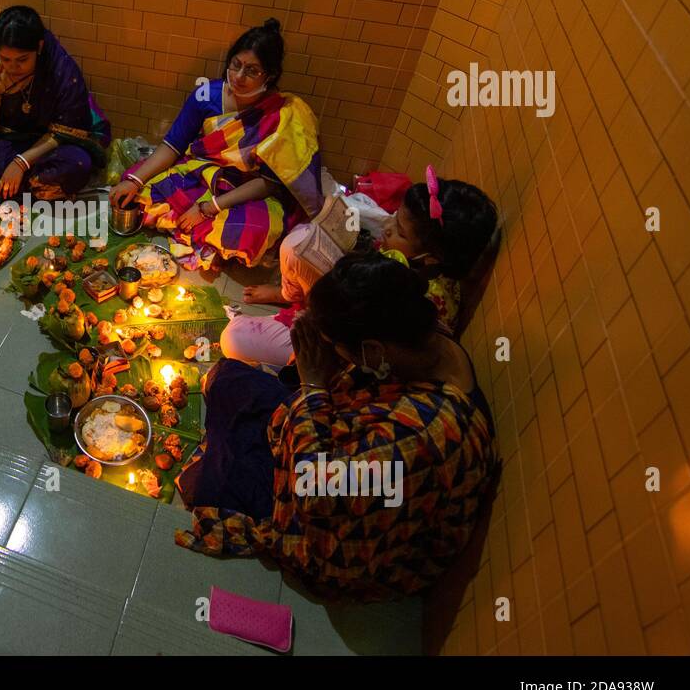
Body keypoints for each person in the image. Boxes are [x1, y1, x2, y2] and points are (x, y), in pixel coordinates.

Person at [176, 253, 499, 601]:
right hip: (324, 429)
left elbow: (315, 493)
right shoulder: (417, 331)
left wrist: (314, 384)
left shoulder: (421, 435)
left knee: (203, 485)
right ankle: (228, 445)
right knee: (227, 377)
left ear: (372, 351)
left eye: (335, 347)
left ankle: (224, 455)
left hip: (330, 525)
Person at [223, 171, 498, 368]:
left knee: (232, 340)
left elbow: (359, 350)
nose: (388, 227)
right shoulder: (405, 261)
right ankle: (288, 296)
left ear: (430, 257)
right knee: (298, 242)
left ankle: (293, 318)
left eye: (399, 231)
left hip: (340, 347)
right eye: (394, 217)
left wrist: (313, 358)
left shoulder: (421, 308)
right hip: (337, 311)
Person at [107, 17, 323, 267]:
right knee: (134, 188)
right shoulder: (206, 94)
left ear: (270, 76)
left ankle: (200, 228)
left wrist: (208, 208)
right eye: (236, 65)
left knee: (252, 231)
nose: (239, 76)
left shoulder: (282, 114)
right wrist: (135, 181)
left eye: (252, 71)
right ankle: (199, 231)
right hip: (200, 173)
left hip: (246, 189)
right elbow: (173, 146)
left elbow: (269, 183)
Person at [0, 6, 111, 209]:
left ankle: (11, 190)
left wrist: (21, 163)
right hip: (7, 139)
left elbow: (64, 131)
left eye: (22, 60)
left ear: (39, 47)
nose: (13, 68)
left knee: (77, 164)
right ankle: (15, 191)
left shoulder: (61, 72)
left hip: (50, 144)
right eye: (5, 59)